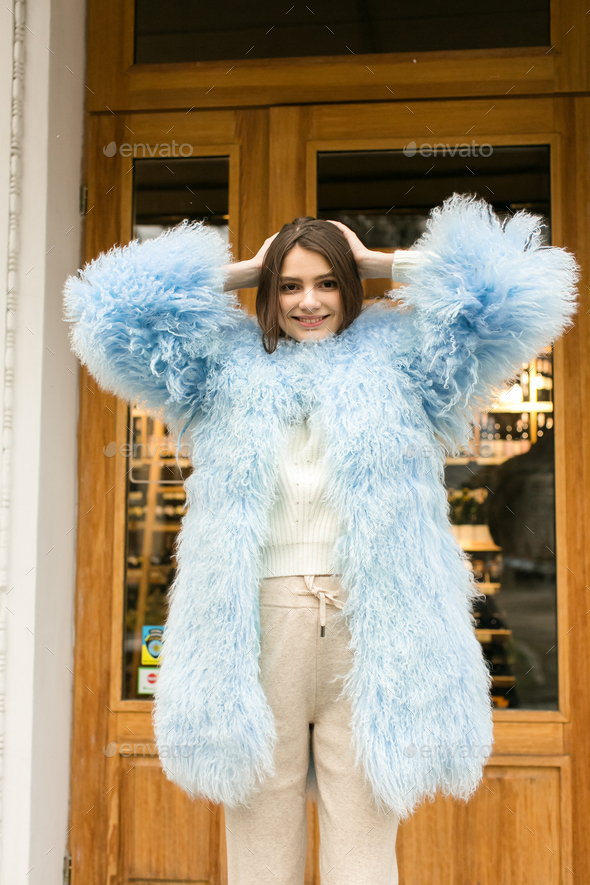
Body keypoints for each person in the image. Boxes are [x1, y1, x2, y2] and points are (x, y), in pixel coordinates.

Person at [63, 194, 578, 885]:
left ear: (350, 287)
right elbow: (113, 312)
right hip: (254, 631)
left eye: (328, 282)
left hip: (375, 632)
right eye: (292, 285)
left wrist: (376, 259)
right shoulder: (218, 371)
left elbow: (514, 286)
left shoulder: (404, 363)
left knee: (364, 854)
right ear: (270, 293)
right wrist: (248, 267)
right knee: (259, 856)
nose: (310, 301)